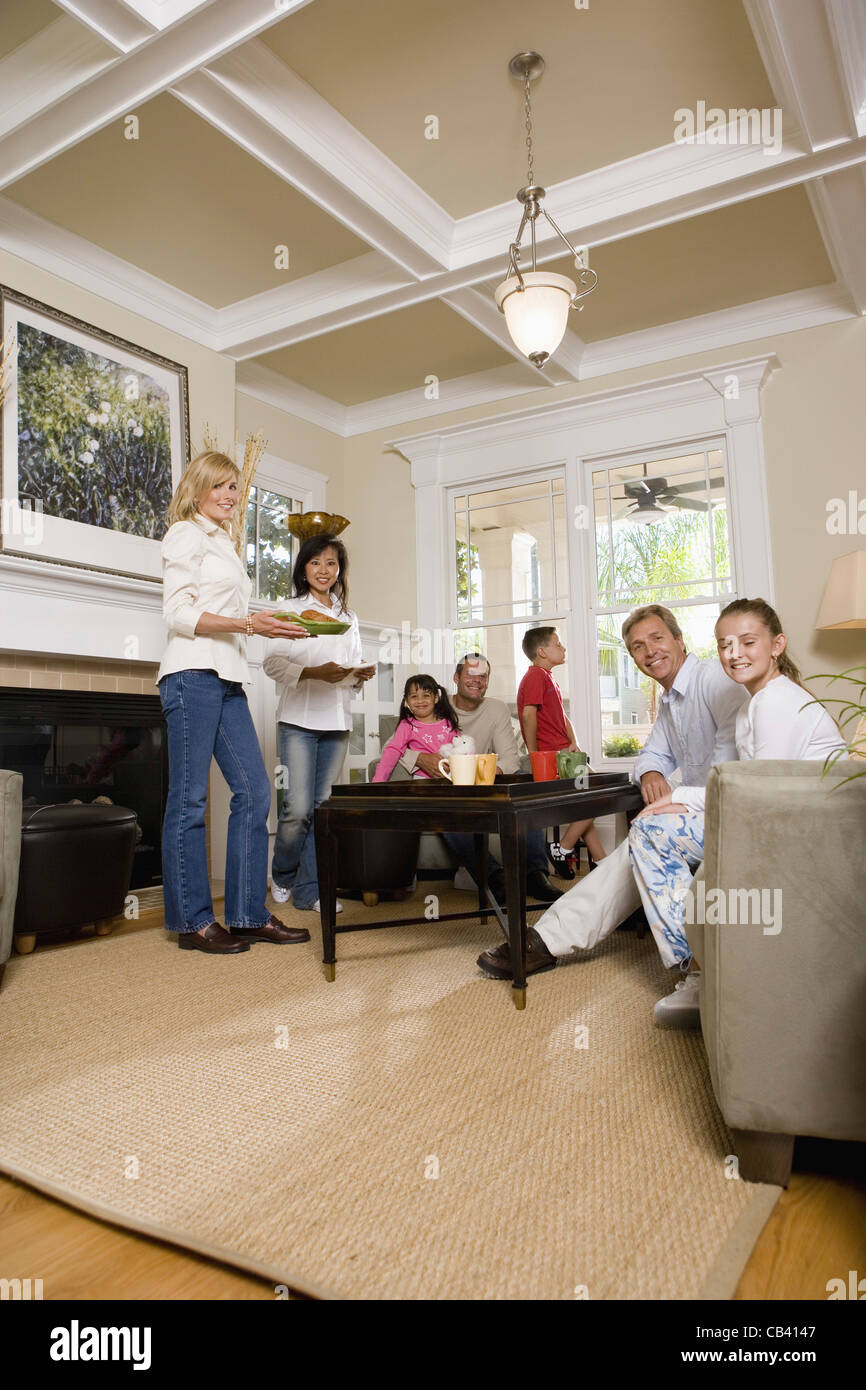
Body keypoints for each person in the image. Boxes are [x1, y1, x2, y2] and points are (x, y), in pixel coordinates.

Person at [476, 604, 748, 979]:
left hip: (732, 809)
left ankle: (550, 941)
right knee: (639, 839)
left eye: (657, 638)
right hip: (703, 805)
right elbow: (650, 754)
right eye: (637, 646)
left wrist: (679, 799)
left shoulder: (714, 681)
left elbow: (732, 773)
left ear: (680, 641)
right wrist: (652, 771)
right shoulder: (671, 703)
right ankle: (547, 939)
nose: (649, 651)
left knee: (644, 834)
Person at [629, 597, 845, 1027]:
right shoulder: (755, 703)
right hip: (780, 816)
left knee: (650, 832)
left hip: (805, 831)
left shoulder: (776, 703)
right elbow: (747, 783)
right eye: (725, 644)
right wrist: (675, 799)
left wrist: (677, 800)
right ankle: (698, 965)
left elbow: (756, 793)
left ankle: (696, 970)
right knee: (654, 824)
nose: (734, 654)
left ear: (777, 644)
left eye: (748, 642)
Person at [157, 450, 313, 954]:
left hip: (226, 677)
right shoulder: (185, 534)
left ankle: (246, 913)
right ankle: (192, 923)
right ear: (198, 489)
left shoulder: (224, 542)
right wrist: (250, 623)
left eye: (234, 487)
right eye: (219, 486)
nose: (229, 495)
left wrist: (265, 622)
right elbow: (179, 614)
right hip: (190, 675)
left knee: (255, 792)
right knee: (190, 799)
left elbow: (227, 612)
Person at [263, 533, 375, 913]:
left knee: (320, 807)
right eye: (315, 562)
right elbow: (272, 665)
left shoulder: (349, 616)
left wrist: (358, 676)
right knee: (295, 807)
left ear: (339, 568)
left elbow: (351, 666)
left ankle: (309, 891)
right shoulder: (289, 609)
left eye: (331, 562)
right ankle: (281, 873)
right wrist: (314, 673)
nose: (323, 570)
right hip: (298, 719)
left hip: (337, 721)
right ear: (303, 568)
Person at [395, 652, 562, 904]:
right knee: (447, 808)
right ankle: (495, 879)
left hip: (483, 784)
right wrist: (419, 758)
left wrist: (482, 771)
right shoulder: (435, 706)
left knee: (527, 789)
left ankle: (535, 875)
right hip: (445, 789)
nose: (477, 680)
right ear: (456, 678)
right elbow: (392, 746)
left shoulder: (495, 708)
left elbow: (510, 760)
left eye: (482, 675)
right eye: (470, 674)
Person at [517, 626, 606, 869]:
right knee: (598, 794)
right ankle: (563, 847)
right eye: (558, 643)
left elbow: (562, 717)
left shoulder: (547, 677)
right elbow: (528, 716)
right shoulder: (535, 676)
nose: (563, 647)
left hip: (565, 753)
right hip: (553, 755)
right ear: (542, 651)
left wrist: (574, 742)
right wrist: (535, 755)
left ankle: (600, 860)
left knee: (588, 802)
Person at [373, 675, 460, 782]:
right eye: (414, 696)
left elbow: (461, 748)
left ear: (436, 698)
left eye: (426, 695)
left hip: (450, 778)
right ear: (407, 700)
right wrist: (378, 781)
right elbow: (392, 751)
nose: (420, 701)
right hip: (422, 781)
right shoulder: (407, 725)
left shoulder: (448, 723)